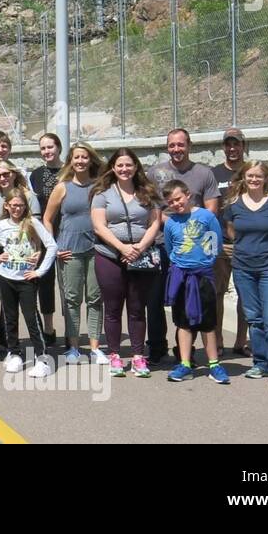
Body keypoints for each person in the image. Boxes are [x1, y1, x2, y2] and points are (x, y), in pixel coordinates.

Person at [146, 128, 220, 364]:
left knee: (191, 300)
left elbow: (211, 210)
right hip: (163, 244)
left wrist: (192, 232)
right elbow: (152, 210)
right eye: (171, 145)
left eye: (180, 144)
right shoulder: (155, 173)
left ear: (189, 145)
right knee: (158, 299)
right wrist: (175, 224)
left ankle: (184, 351)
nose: (176, 149)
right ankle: (157, 346)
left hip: (195, 250)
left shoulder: (204, 174)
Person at [91, 149, 162, 378]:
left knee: (137, 308)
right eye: (120, 165)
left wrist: (139, 248)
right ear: (113, 167)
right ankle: (114, 355)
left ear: (136, 167)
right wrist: (121, 248)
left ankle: (139, 356)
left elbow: (154, 222)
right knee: (112, 309)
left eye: (129, 165)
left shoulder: (148, 191)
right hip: (109, 255)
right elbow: (99, 226)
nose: (124, 169)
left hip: (140, 254)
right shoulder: (102, 193)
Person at [223, 162, 268, 384]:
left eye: (259, 176)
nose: (254, 180)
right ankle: (260, 363)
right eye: (250, 176)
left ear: (266, 178)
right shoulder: (234, 204)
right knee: (254, 318)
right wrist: (246, 247)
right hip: (243, 267)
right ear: (243, 177)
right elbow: (231, 230)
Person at [0, 190, 58, 377]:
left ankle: (42, 358)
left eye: (20, 205)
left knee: (31, 319)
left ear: (25, 207)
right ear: (6, 206)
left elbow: (52, 245)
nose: (16, 209)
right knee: (9, 318)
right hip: (6, 278)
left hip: (26, 279)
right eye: (13, 205)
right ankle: (14, 353)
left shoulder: (32, 223)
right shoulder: (1, 225)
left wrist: (39, 270)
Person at [42, 142, 107, 365]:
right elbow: (47, 219)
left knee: (95, 299)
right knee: (71, 299)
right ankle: (73, 347)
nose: (80, 161)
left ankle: (95, 347)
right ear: (70, 161)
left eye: (84, 157)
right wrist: (55, 246)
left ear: (91, 160)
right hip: (68, 250)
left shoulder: (100, 186)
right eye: (76, 158)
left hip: (96, 249)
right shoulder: (62, 187)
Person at [160, 180, 228, 384]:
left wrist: (205, 262)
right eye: (171, 202)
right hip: (181, 276)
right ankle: (185, 364)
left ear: (188, 195)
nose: (176, 204)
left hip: (203, 276)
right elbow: (170, 247)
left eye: (178, 199)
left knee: (208, 322)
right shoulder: (171, 222)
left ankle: (214, 364)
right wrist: (181, 265)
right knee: (183, 322)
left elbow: (215, 242)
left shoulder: (206, 216)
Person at [211, 128, 250, 356]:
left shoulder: (252, 171)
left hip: (247, 244)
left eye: (236, 144)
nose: (232, 149)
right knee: (218, 293)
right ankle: (217, 339)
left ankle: (241, 340)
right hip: (220, 244)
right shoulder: (213, 174)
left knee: (245, 294)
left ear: (243, 146)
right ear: (223, 147)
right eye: (228, 144)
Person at [29, 133, 62, 346]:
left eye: (50, 147)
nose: (47, 151)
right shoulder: (36, 175)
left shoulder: (70, 171)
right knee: (45, 282)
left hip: (67, 230)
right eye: (43, 148)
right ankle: (48, 328)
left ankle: (72, 329)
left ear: (58, 148)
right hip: (43, 233)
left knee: (69, 286)